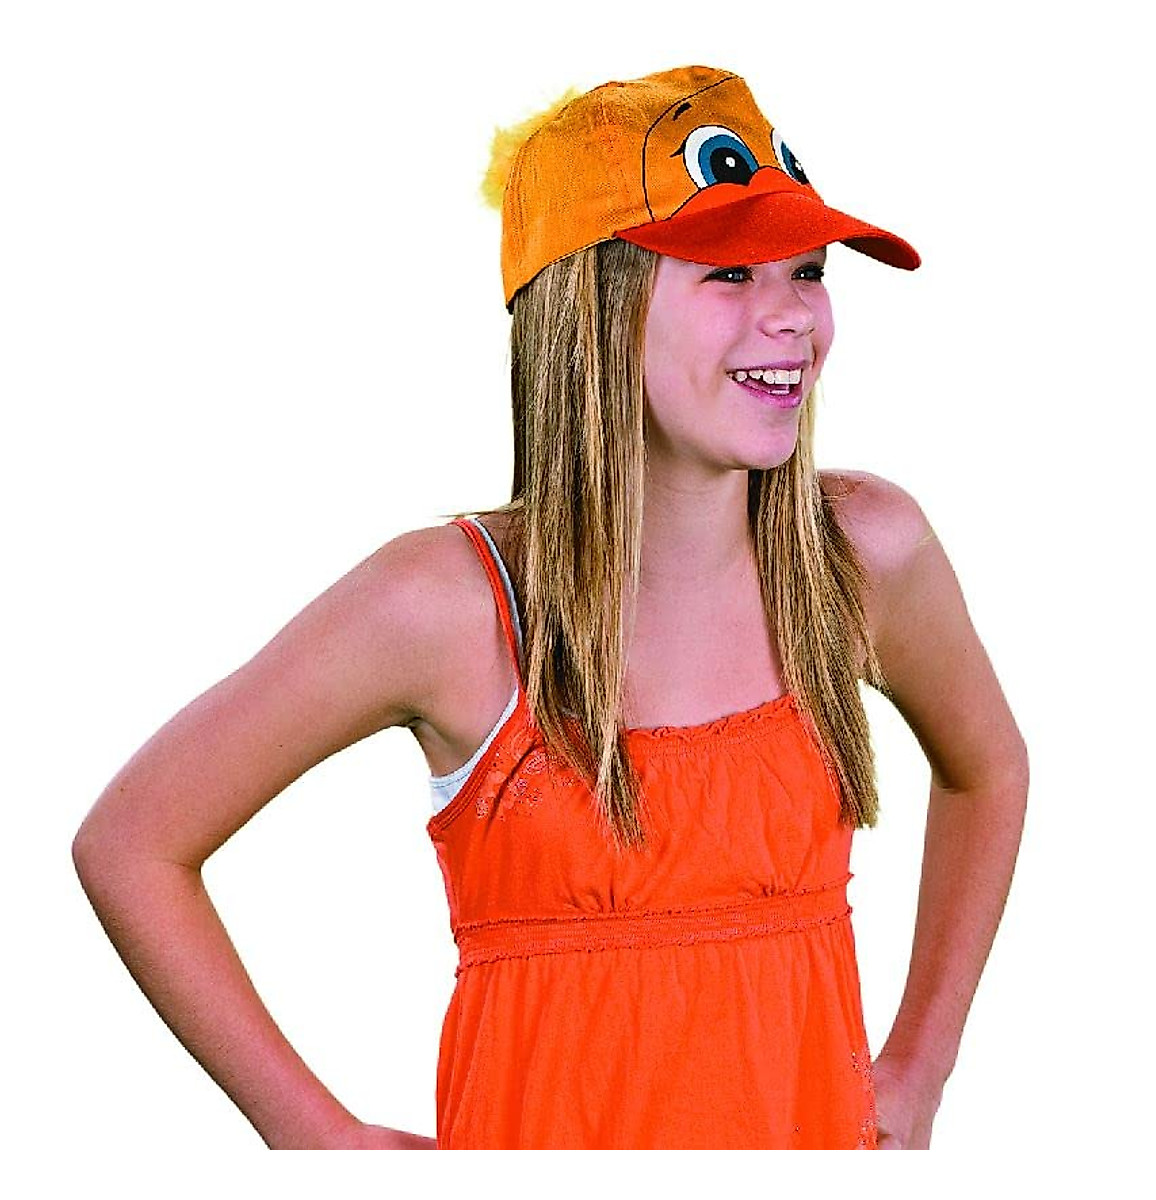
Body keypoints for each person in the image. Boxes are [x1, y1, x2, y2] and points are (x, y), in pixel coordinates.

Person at [71, 64, 1028, 1150]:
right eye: (727, 274)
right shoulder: (447, 607)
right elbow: (133, 844)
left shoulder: (860, 559)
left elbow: (988, 769)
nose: (791, 317)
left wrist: (920, 1069)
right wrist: (319, 1139)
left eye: (806, 272)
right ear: (591, 307)